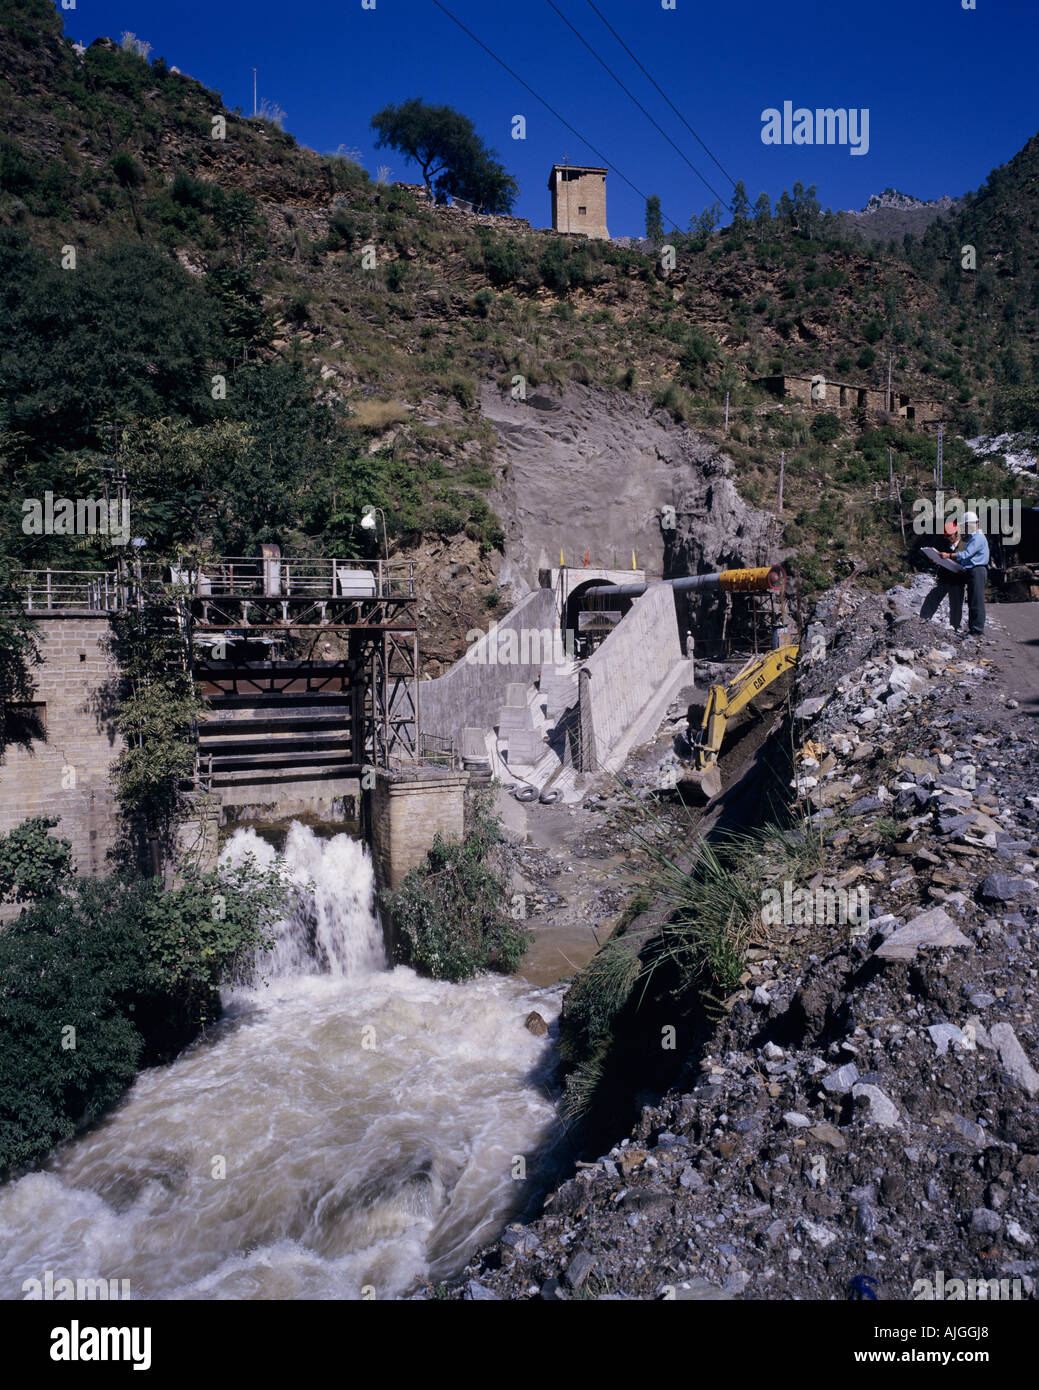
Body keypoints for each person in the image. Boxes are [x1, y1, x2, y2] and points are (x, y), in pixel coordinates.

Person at [920, 520, 967, 631]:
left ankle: (955, 627)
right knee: (932, 597)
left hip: (957, 580)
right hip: (944, 578)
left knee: (956, 604)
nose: (947, 538)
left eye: (949, 536)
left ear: (956, 533)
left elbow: (967, 560)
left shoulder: (965, 546)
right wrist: (935, 560)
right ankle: (923, 619)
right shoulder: (944, 544)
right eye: (945, 536)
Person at [955, 511, 990, 635]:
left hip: (977, 571)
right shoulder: (974, 537)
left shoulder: (978, 537)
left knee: (976, 600)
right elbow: (969, 558)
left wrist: (949, 555)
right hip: (974, 570)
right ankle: (973, 627)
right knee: (972, 600)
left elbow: (966, 554)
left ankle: (977, 629)